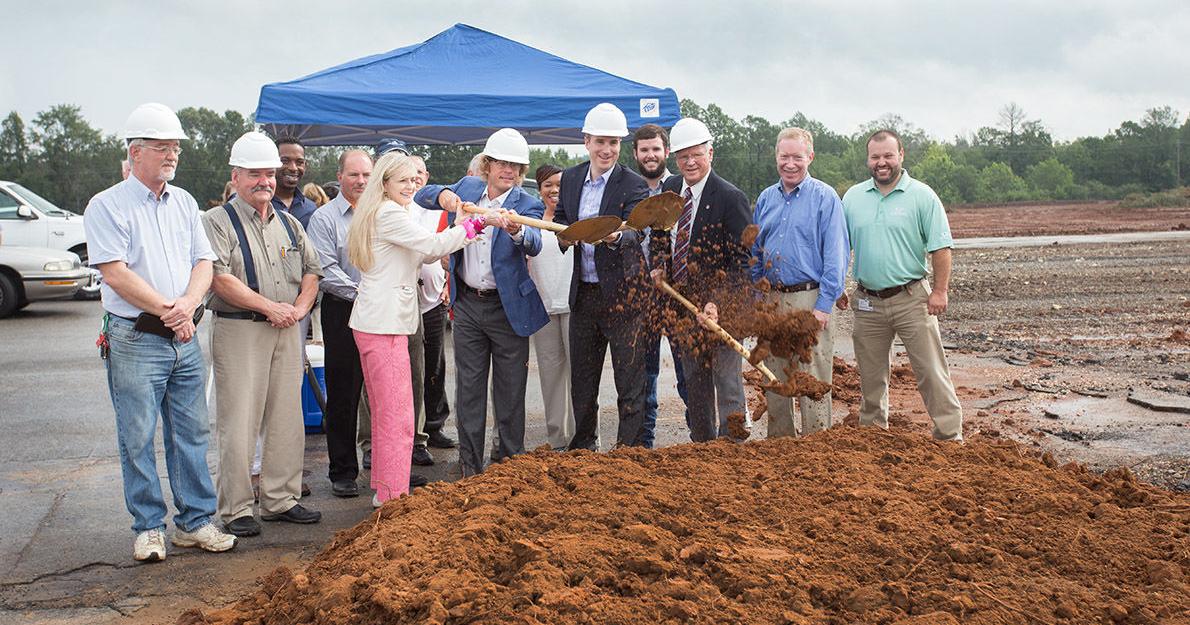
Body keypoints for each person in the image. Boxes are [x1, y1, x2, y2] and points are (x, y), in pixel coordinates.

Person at [84, 102, 237, 562]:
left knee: (190, 433)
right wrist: (171, 310)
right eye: (162, 146)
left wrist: (188, 304)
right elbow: (114, 272)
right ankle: (149, 526)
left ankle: (194, 522)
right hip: (136, 337)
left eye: (175, 147)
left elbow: (203, 261)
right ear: (135, 152)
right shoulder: (107, 205)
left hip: (183, 335)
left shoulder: (185, 202)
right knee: (137, 436)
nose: (172, 154)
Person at [347, 152, 486, 505]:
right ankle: (393, 495)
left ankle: (385, 485)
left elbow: (422, 253)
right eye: (403, 181)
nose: (411, 186)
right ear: (385, 184)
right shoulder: (389, 213)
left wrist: (459, 224)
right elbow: (433, 246)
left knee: (387, 411)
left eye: (415, 180)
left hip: (381, 322)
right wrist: (478, 223)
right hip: (384, 324)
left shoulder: (388, 211)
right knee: (398, 413)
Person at [203, 132, 323, 537]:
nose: (265, 182)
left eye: (269, 174)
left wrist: (300, 309)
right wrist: (270, 307)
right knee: (239, 419)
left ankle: (280, 499)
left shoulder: (289, 223)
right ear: (236, 176)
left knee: (287, 416)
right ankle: (236, 507)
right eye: (255, 174)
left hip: (287, 329)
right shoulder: (217, 222)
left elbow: (312, 270)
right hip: (241, 330)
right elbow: (218, 278)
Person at [415, 128, 548, 476]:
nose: (509, 171)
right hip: (469, 306)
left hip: (508, 310)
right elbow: (423, 194)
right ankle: (470, 468)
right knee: (469, 392)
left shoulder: (526, 204)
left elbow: (535, 242)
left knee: (510, 393)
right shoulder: (468, 188)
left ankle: (507, 468)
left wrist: (515, 230)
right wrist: (446, 197)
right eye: (502, 163)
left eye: (516, 167)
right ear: (487, 165)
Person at [838, 129, 963, 441]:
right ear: (868, 159)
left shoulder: (921, 196)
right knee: (870, 376)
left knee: (931, 372)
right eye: (875, 157)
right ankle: (873, 435)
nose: (882, 162)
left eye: (888, 156)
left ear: (901, 156)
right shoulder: (853, 198)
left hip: (912, 298)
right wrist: (837, 283)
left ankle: (949, 436)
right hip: (867, 301)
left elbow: (941, 248)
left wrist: (940, 291)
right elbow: (839, 246)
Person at [554, 103, 651, 450]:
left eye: (613, 143)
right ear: (586, 141)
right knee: (582, 382)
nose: (606, 150)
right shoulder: (572, 178)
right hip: (584, 296)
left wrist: (614, 236)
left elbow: (637, 231)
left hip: (625, 297)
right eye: (600, 142)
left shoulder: (633, 183)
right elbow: (563, 221)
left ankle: (629, 452)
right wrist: (563, 235)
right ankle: (583, 447)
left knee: (629, 382)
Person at [650, 118, 752, 442]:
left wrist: (716, 303)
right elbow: (659, 235)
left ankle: (733, 446)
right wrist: (659, 264)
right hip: (682, 305)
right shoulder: (669, 191)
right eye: (682, 157)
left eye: (696, 154)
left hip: (720, 309)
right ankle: (703, 446)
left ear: (711, 152)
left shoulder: (730, 197)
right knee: (694, 382)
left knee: (726, 381)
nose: (690, 162)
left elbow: (743, 262)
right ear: (674, 159)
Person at [751, 127, 849, 437]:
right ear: (776, 157)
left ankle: (816, 442)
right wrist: (757, 299)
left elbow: (837, 255)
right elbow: (755, 250)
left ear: (810, 157)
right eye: (784, 156)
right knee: (775, 372)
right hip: (772, 300)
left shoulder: (825, 197)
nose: (790, 163)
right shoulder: (766, 198)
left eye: (797, 157)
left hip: (809, 298)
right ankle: (780, 442)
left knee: (812, 374)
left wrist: (823, 306)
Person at [631, 123, 687, 448]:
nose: (650, 155)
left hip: (677, 291)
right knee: (646, 373)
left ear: (666, 151)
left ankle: (702, 435)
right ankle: (645, 443)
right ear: (636, 154)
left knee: (687, 369)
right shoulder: (630, 188)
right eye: (644, 150)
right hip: (641, 295)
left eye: (656, 149)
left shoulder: (682, 186)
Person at [409, 154, 457, 451]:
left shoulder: (437, 210)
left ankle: (435, 425)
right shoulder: (399, 209)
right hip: (405, 303)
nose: (414, 181)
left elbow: (448, 251)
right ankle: (414, 437)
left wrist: (446, 285)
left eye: (418, 175)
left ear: (426, 177)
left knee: (435, 367)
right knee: (412, 370)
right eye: (407, 175)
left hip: (434, 300)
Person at [527, 164, 575, 450]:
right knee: (551, 375)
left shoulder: (576, 217)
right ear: (540, 189)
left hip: (573, 304)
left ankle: (584, 437)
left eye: (559, 184)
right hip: (543, 306)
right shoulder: (531, 219)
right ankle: (557, 439)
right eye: (547, 185)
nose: (554, 190)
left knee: (580, 376)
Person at [272, 137, 319, 229]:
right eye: (285, 161)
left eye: (299, 162)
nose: (293, 168)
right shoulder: (258, 205)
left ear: (305, 166)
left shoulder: (311, 209)